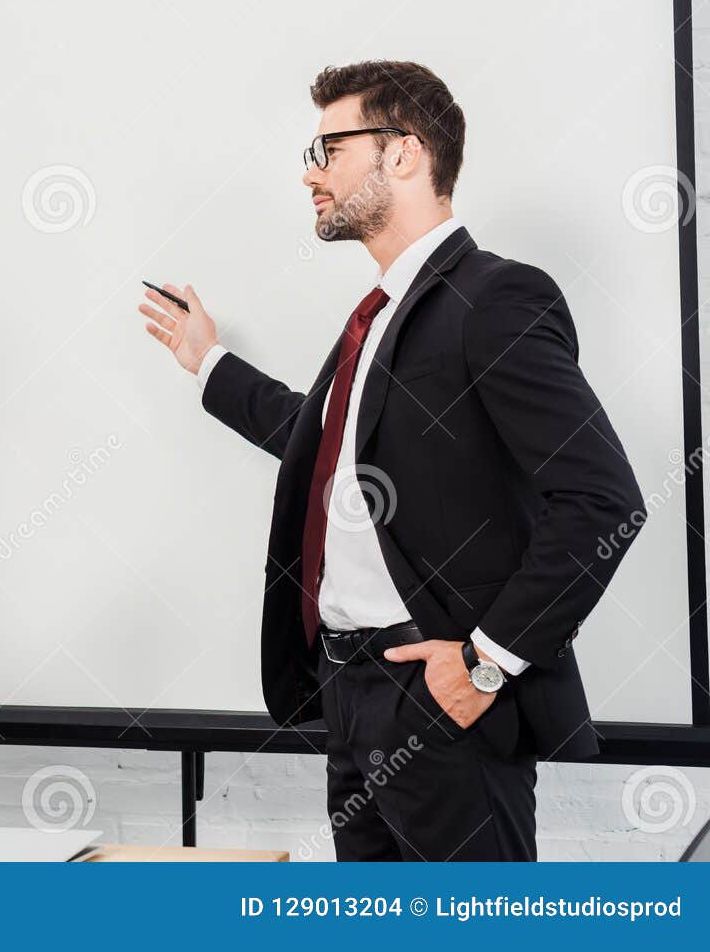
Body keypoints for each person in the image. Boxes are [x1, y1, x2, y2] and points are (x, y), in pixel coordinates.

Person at [140, 60, 647, 861]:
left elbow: (602, 500)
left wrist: (484, 665)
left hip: (441, 697)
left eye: (328, 148)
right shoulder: (377, 317)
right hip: (351, 693)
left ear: (404, 153)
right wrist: (210, 365)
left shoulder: (497, 298)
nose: (310, 173)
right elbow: (322, 447)